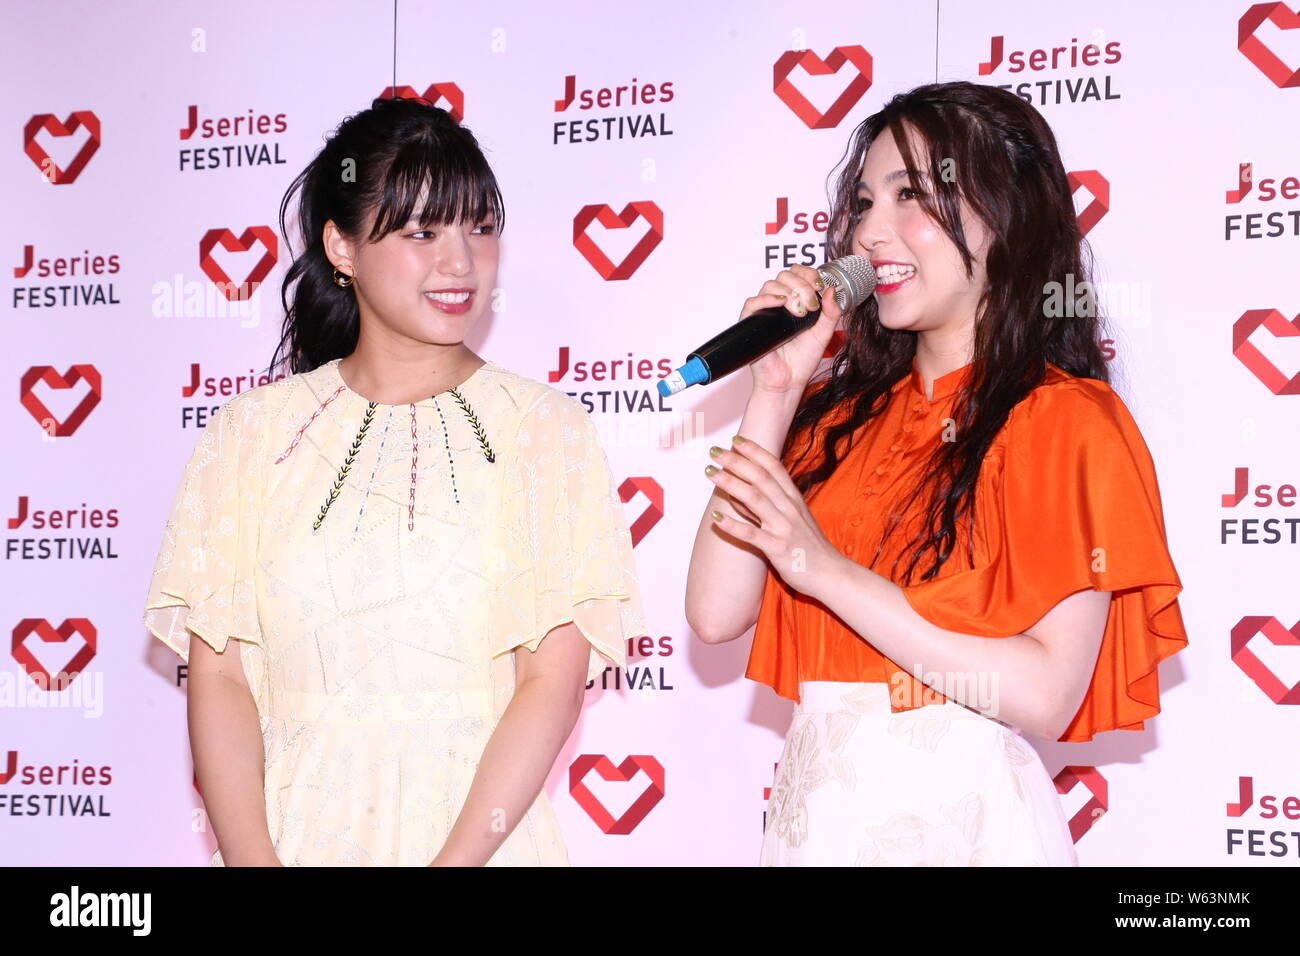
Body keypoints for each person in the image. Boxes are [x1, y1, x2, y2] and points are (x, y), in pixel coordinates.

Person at [684, 81, 1188, 866]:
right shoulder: (836, 421)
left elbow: (1047, 695)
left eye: (910, 196)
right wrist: (774, 393)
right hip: (813, 828)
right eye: (862, 202)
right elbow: (715, 613)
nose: (871, 233)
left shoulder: (1067, 421)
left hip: (965, 831)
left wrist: (822, 569)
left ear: (1004, 217)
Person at [143, 97, 646, 866]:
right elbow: (221, 680)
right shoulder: (249, 436)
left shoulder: (545, 430)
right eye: (421, 232)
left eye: (479, 227)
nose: (461, 262)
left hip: (482, 848)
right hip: (291, 838)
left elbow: (550, 682)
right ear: (341, 246)